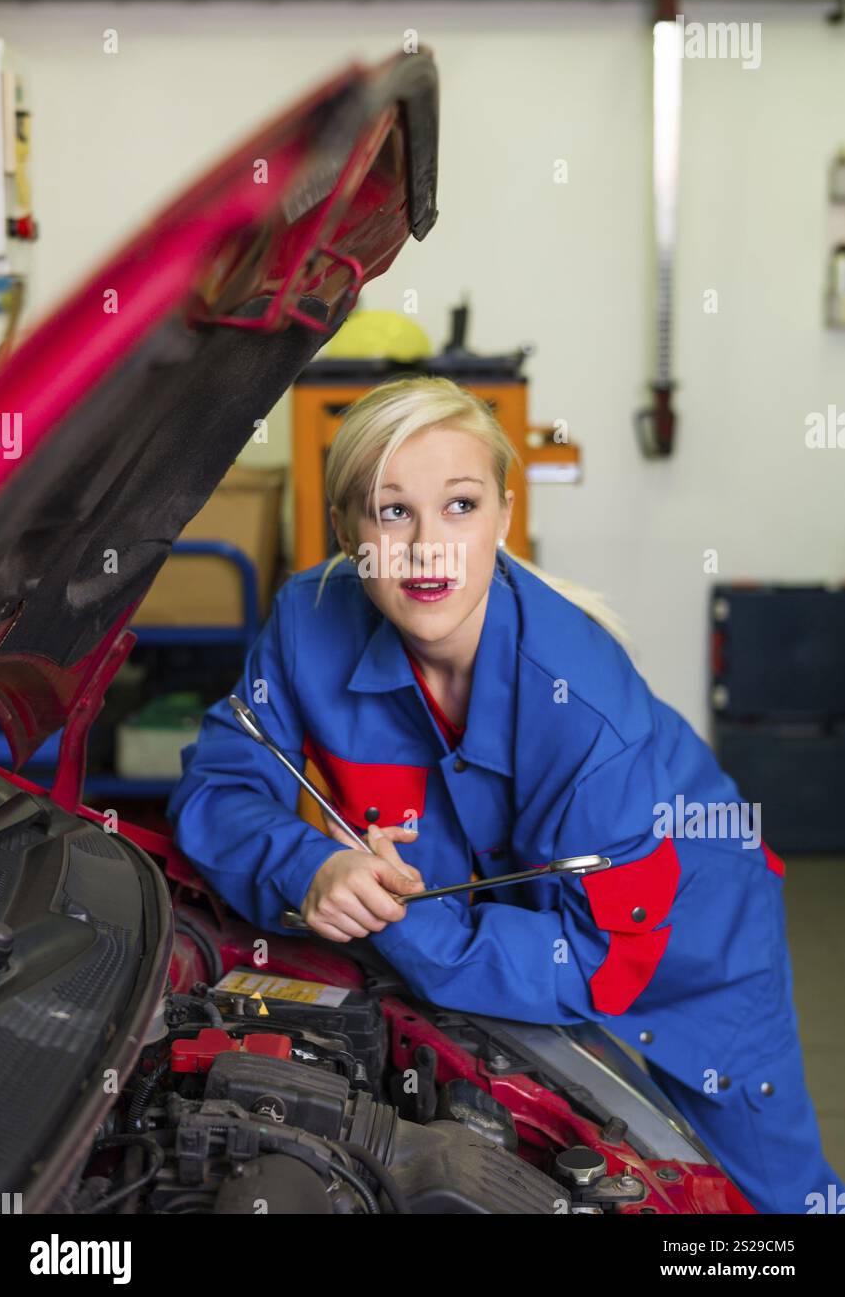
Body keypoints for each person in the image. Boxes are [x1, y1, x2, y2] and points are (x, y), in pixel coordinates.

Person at [168, 375, 843, 1215]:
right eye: (390, 512)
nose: (427, 549)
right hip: (494, 940)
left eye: (458, 506)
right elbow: (222, 783)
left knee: (763, 1199)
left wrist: (397, 918)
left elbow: (603, 959)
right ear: (344, 528)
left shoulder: (585, 708)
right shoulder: (307, 622)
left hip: (688, 948)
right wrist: (306, 866)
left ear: (502, 517)